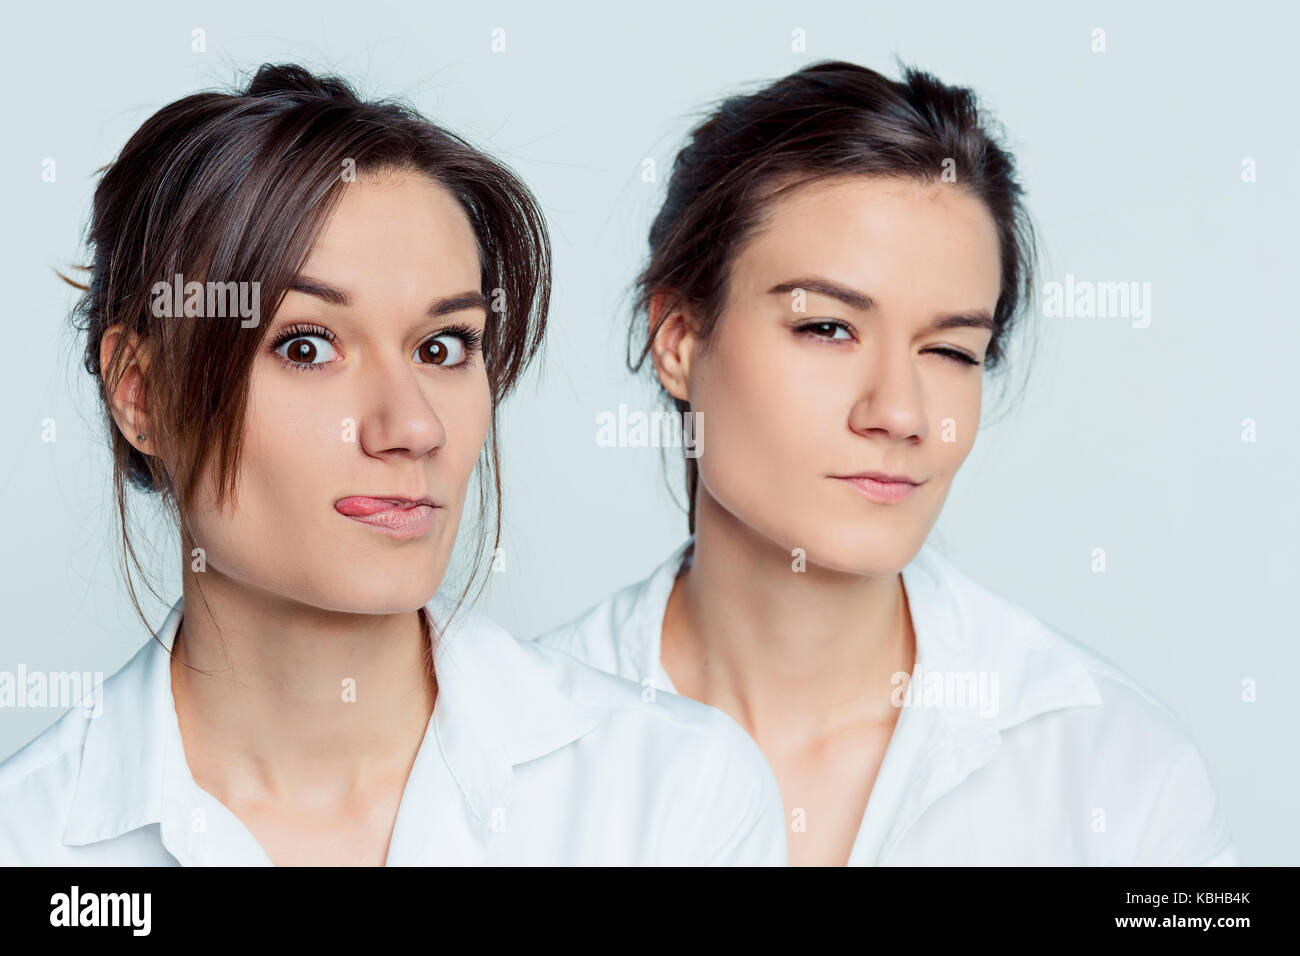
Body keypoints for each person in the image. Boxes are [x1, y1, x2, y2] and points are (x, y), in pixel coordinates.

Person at [0, 63, 786, 866]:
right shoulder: (28, 841)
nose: (411, 426)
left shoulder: (670, 797)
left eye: (442, 347)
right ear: (141, 392)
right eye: (306, 346)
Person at [535, 59, 1237, 866]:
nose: (900, 414)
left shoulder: (1117, 772)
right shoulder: (508, 752)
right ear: (680, 341)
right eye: (827, 329)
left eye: (948, 349)